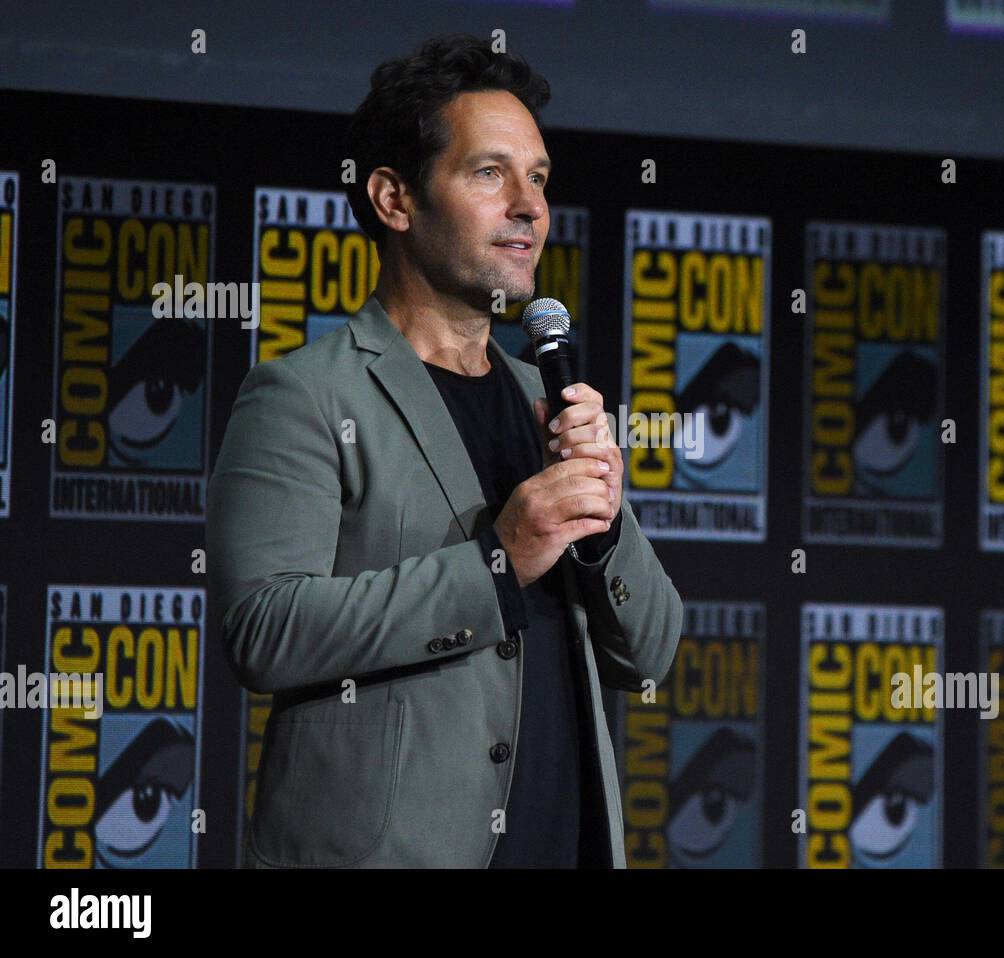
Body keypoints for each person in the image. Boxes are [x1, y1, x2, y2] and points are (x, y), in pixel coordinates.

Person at [207, 33, 684, 868]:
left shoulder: (546, 399)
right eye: (490, 173)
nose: (531, 206)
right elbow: (265, 630)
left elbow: (649, 650)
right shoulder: (306, 395)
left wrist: (605, 527)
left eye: (538, 178)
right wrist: (498, 562)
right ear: (394, 199)